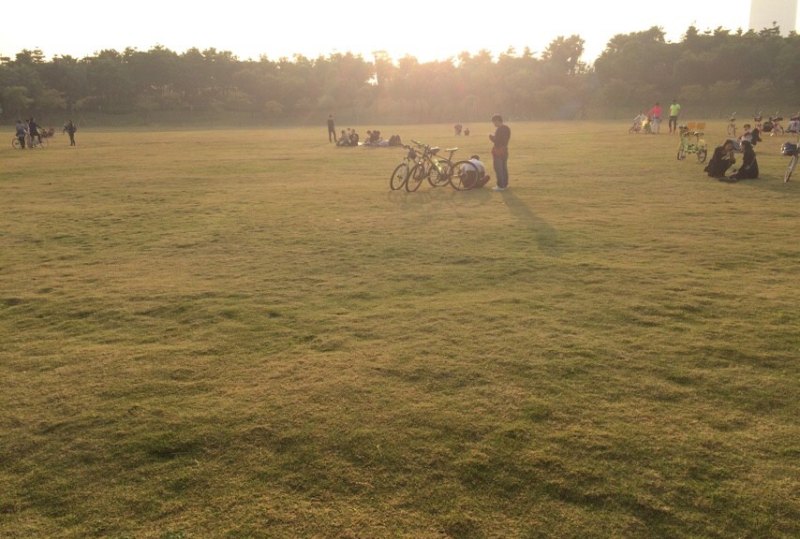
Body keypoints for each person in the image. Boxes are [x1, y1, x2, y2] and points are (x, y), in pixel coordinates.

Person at [489, 113, 511, 191]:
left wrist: (491, 137)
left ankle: (500, 186)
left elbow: (497, 141)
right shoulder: (507, 128)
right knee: (504, 168)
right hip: (505, 149)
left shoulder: (499, 129)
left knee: (498, 168)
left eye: (494, 122)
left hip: (498, 150)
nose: (494, 124)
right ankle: (505, 184)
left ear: (498, 121)